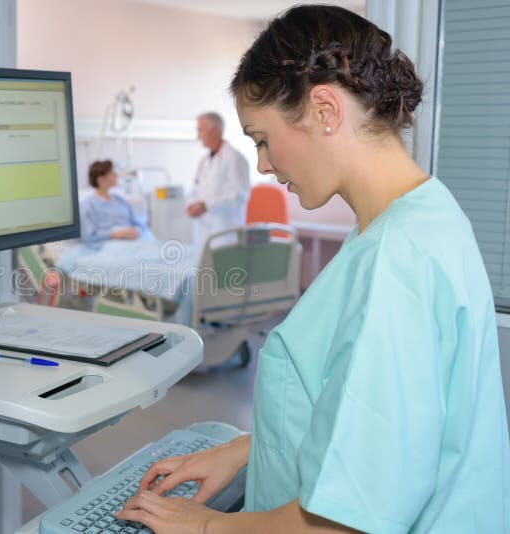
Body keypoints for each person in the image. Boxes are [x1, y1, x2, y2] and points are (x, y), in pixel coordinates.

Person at [116, 5, 510, 533]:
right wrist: (246, 451)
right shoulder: (421, 217)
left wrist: (205, 526)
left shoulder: (395, 262)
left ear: (324, 110)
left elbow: (344, 523)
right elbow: (381, 424)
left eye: (261, 138)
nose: (263, 164)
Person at [185, 112, 250, 248]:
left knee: (224, 269)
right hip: (203, 233)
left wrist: (207, 205)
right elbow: (195, 190)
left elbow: (239, 196)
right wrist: (191, 204)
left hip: (225, 236)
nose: (198, 136)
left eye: (201, 130)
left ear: (215, 131)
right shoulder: (204, 161)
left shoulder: (234, 158)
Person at [80, 160, 152, 245]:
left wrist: (137, 231)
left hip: (134, 241)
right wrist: (116, 234)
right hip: (109, 246)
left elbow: (138, 224)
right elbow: (88, 235)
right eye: (112, 173)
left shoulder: (120, 200)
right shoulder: (87, 205)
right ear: (101, 179)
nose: (116, 176)